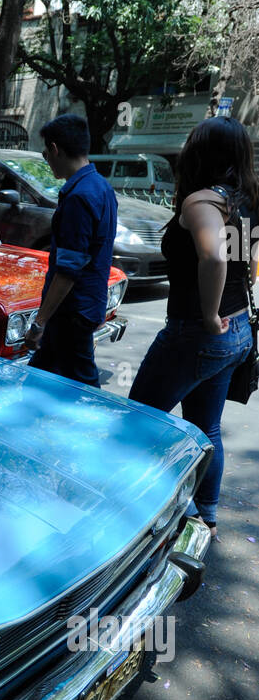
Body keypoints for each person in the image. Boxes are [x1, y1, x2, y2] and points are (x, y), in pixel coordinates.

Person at [128, 116, 259, 540]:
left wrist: (207, 314)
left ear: (200, 153)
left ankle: (129, 510)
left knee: (137, 419)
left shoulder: (201, 202)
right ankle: (204, 517)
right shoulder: (245, 200)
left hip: (199, 331)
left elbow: (214, 257)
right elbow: (248, 259)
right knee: (207, 428)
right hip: (237, 331)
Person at [24, 114, 117, 386]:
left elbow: (67, 271)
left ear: (55, 149)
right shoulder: (102, 187)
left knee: (82, 386)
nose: (46, 158)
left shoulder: (78, 197)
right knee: (41, 380)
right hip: (84, 308)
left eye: (45, 153)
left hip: (71, 313)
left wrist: (39, 322)